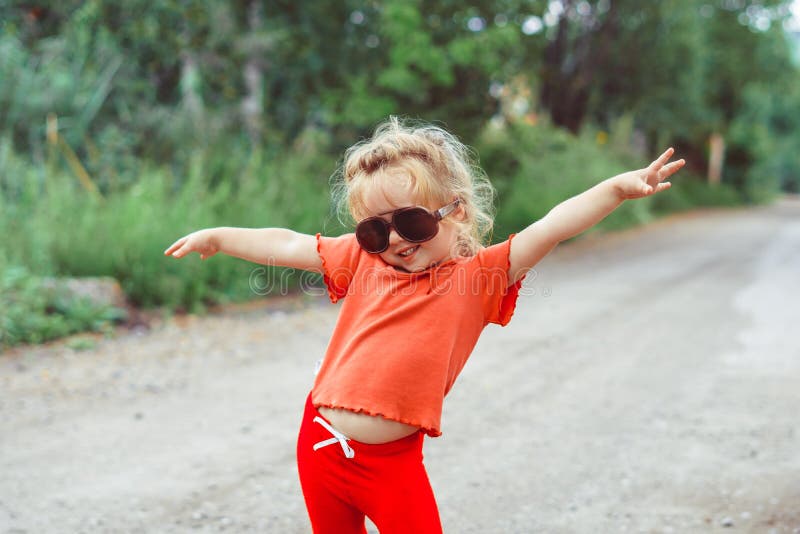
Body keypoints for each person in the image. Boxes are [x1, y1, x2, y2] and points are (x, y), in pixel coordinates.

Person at [164, 117, 684, 533]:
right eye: (374, 230)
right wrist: (221, 236)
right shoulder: (362, 261)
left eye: (411, 221)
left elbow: (550, 228)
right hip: (320, 445)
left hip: (392, 465)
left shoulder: (481, 277)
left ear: (455, 212)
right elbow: (288, 243)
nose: (393, 240)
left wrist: (615, 190)